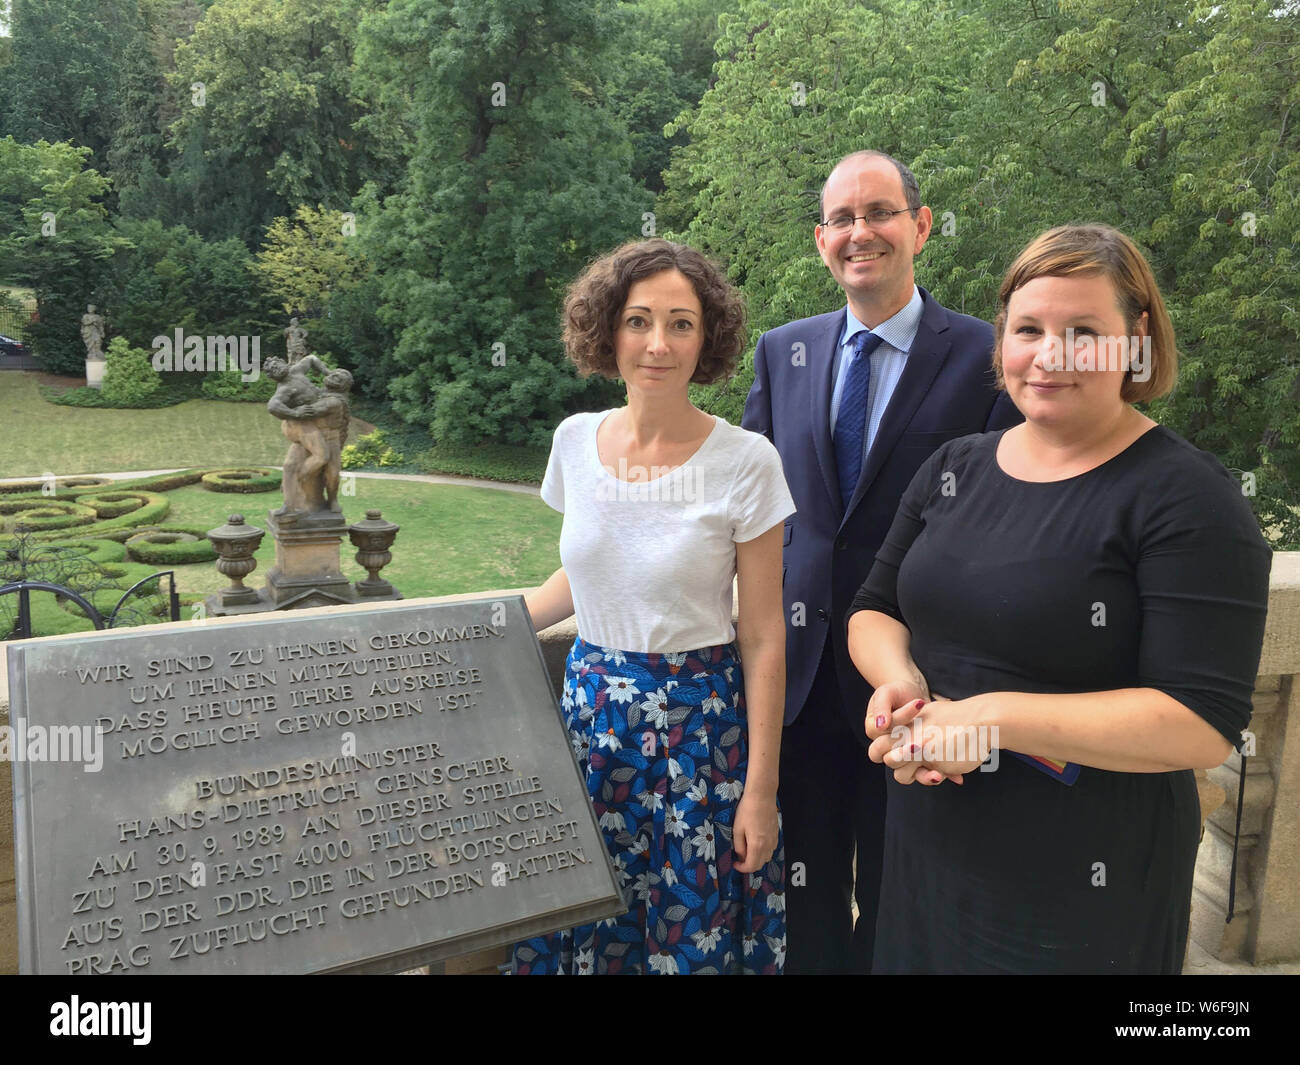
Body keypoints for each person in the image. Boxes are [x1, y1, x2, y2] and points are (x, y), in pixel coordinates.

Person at [847, 223, 1272, 973]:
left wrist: (989, 718)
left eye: (1084, 332)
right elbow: (876, 606)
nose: (1049, 355)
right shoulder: (955, 465)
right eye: (1028, 328)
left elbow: (1201, 723)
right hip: (930, 843)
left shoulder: (1187, 497)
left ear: (1136, 341)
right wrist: (900, 685)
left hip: (1083, 876)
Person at [740, 149, 1021, 973]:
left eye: (880, 213)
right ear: (820, 240)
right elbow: (751, 512)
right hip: (794, 685)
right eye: (841, 220)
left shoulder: (988, 357)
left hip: (916, 689)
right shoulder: (781, 351)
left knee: (906, 897)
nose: (860, 232)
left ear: (920, 226)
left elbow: (1003, 526)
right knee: (803, 894)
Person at [511, 238, 795, 975]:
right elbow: (588, 574)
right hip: (588, 732)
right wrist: (490, 620)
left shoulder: (747, 462)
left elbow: (764, 638)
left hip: (699, 744)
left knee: (684, 939)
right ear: (608, 330)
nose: (657, 343)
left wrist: (759, 790)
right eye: (639, 321)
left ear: (709, 338)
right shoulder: (574, 441)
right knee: (584, 930)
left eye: (680, 323)